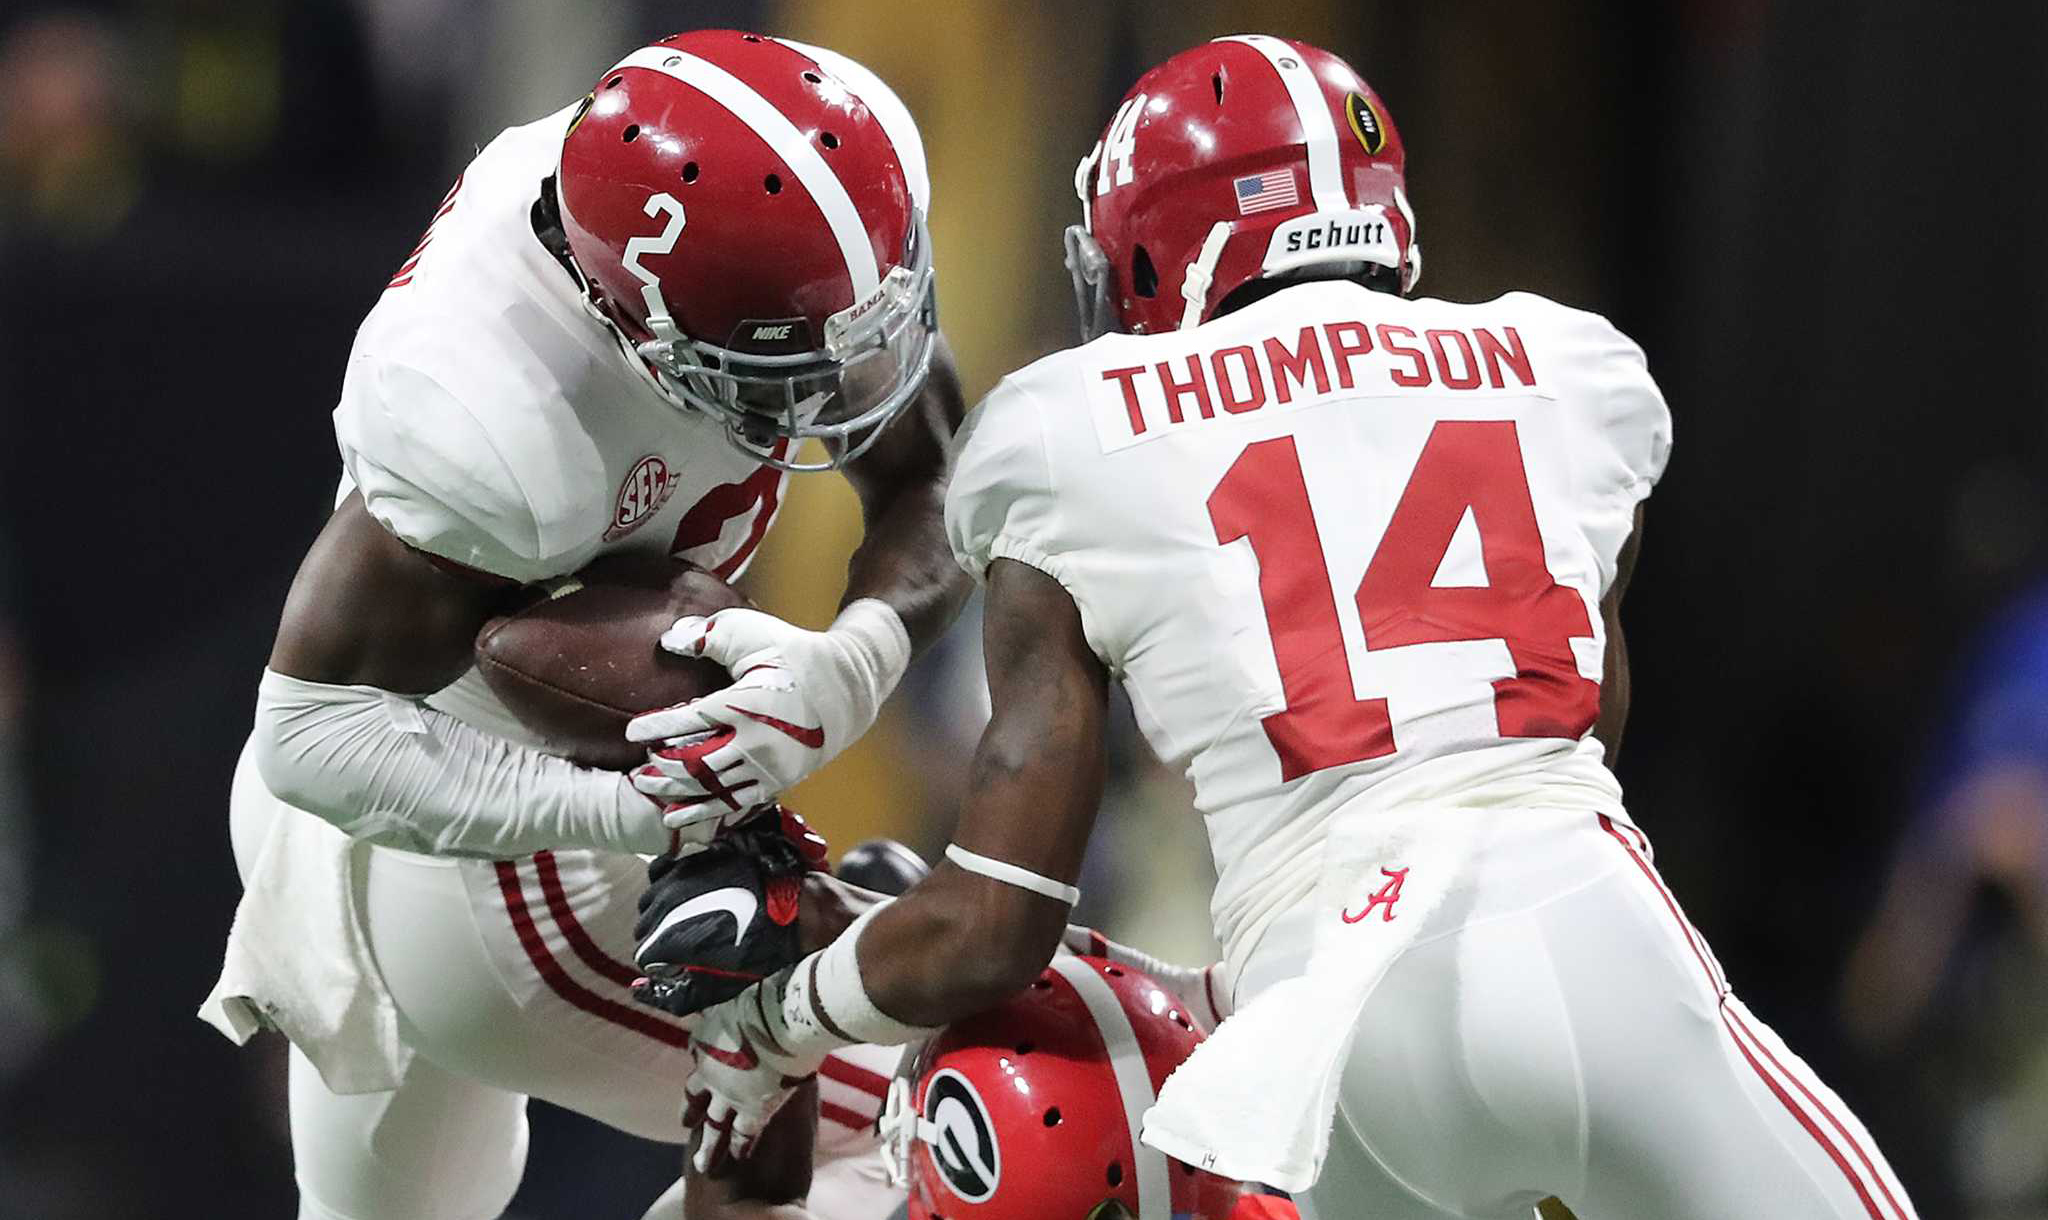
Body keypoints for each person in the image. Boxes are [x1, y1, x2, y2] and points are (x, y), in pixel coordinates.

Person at [662, 34, 1921, 1220]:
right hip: (1578, 927)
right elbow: (1590, 703)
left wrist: (781, 1012)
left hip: (1320, 1037)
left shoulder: (1070, 428)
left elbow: (996, 922)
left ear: (1161, 246)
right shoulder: (1562, 365)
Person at [197, 29, 971, 1220]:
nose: (833, 391)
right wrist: (632, 804)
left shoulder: (787, 192)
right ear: (641, 335)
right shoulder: (489, 413)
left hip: (491, 804)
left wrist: (852, 664)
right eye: (780, 366)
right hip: (486, 850)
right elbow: (306, 732)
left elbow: (927, 473)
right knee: (979, 1109)